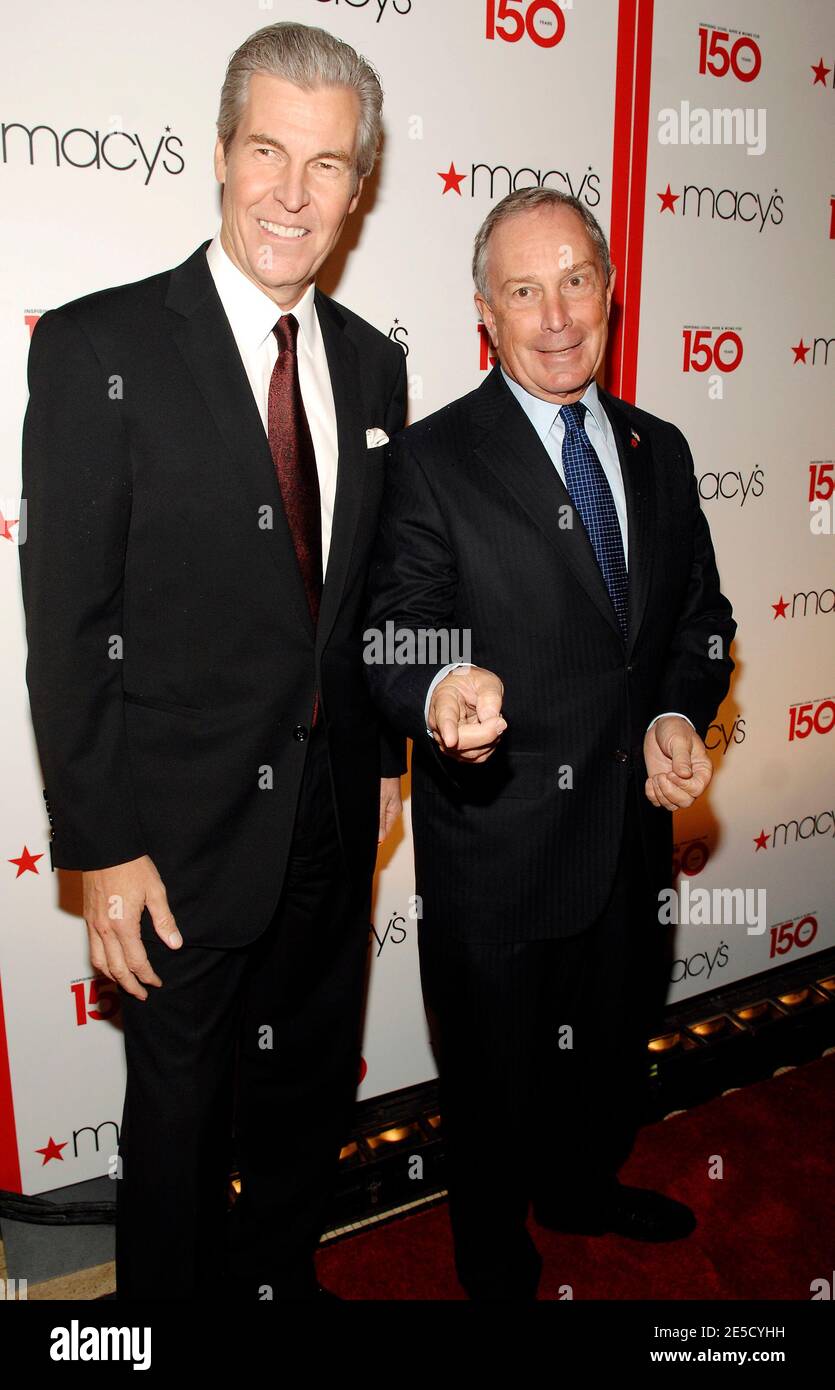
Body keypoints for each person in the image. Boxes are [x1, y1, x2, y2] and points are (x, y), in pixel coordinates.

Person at [19, 21, 406, 1301]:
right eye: (268, 153)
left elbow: (362, 597)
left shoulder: (373, 364)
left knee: (301, 1092)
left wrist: (388, 759)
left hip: (333, 816)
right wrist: (101, 840)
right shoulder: (98, 348)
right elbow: (68, 624)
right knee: (176, 1126)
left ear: (360, 186)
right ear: (222, 152)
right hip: (173, 838)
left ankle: (281, 1284)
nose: (294, 195)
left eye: (329, 166)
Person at [364, 186, 736, 1300]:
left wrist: (675, 708)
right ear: (485, 310)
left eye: (576, 279)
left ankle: (580, 1189)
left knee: (608, 1052)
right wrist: (439, 687)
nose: (556, 313)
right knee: (491, 1086)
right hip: (500, 848)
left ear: (610, 292)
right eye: (524, 290)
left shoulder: (657, 449)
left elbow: (698, 622)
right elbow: (394, 623)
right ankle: (494, 1259)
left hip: (631, 841)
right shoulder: (431, 459)